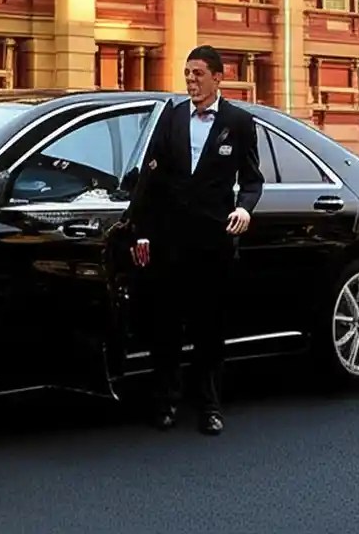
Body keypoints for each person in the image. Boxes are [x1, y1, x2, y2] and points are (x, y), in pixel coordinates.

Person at [125, 45, 264, 436]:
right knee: (165, 327)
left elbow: (252, 179)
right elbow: (150, 181)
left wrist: (245, 208)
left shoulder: (237, 122)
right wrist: (144, 230)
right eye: (187, 73)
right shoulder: (172, 117)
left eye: (198, 74)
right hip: (170, 242)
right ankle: (166, 402)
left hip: (212, 243)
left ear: (218, 77)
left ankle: (210, 407)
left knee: (209, 330)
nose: (191, 81)